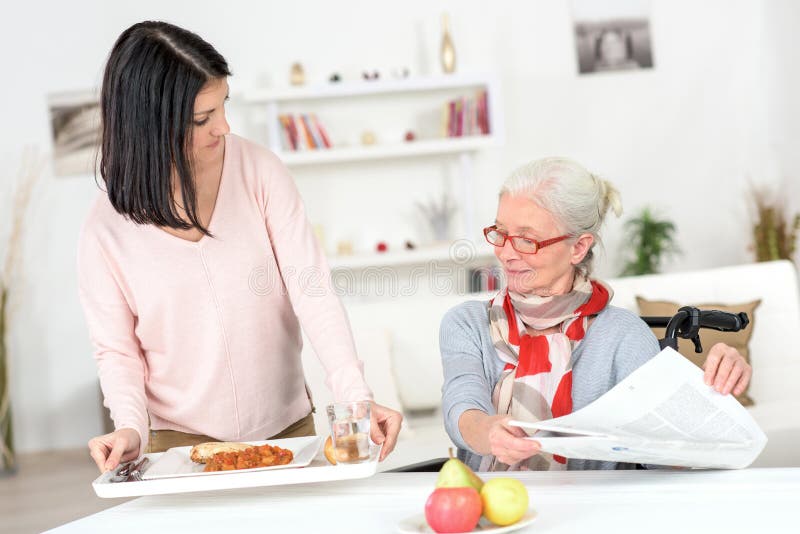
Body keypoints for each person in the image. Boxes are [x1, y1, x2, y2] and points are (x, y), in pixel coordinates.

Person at [80, 21, 402, 473]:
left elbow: (314, 292)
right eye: (201, 119)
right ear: (149, 125)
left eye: (222, 106)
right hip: (179, 445)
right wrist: (130, 426)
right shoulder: (105, 226)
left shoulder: (260, 173)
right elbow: (117, 350)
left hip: (287, 432)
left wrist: (357, 399)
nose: (223, 128)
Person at [440, 158, 752, 471]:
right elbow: (462, 404)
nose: (506, 253)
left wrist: (713, 390)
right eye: (501, 232)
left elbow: (669, 456)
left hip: (593, 513)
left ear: (578, 247)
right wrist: (488, 432)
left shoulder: (623, 336)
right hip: (488, 511)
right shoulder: (467, 323)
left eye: (526, 240)